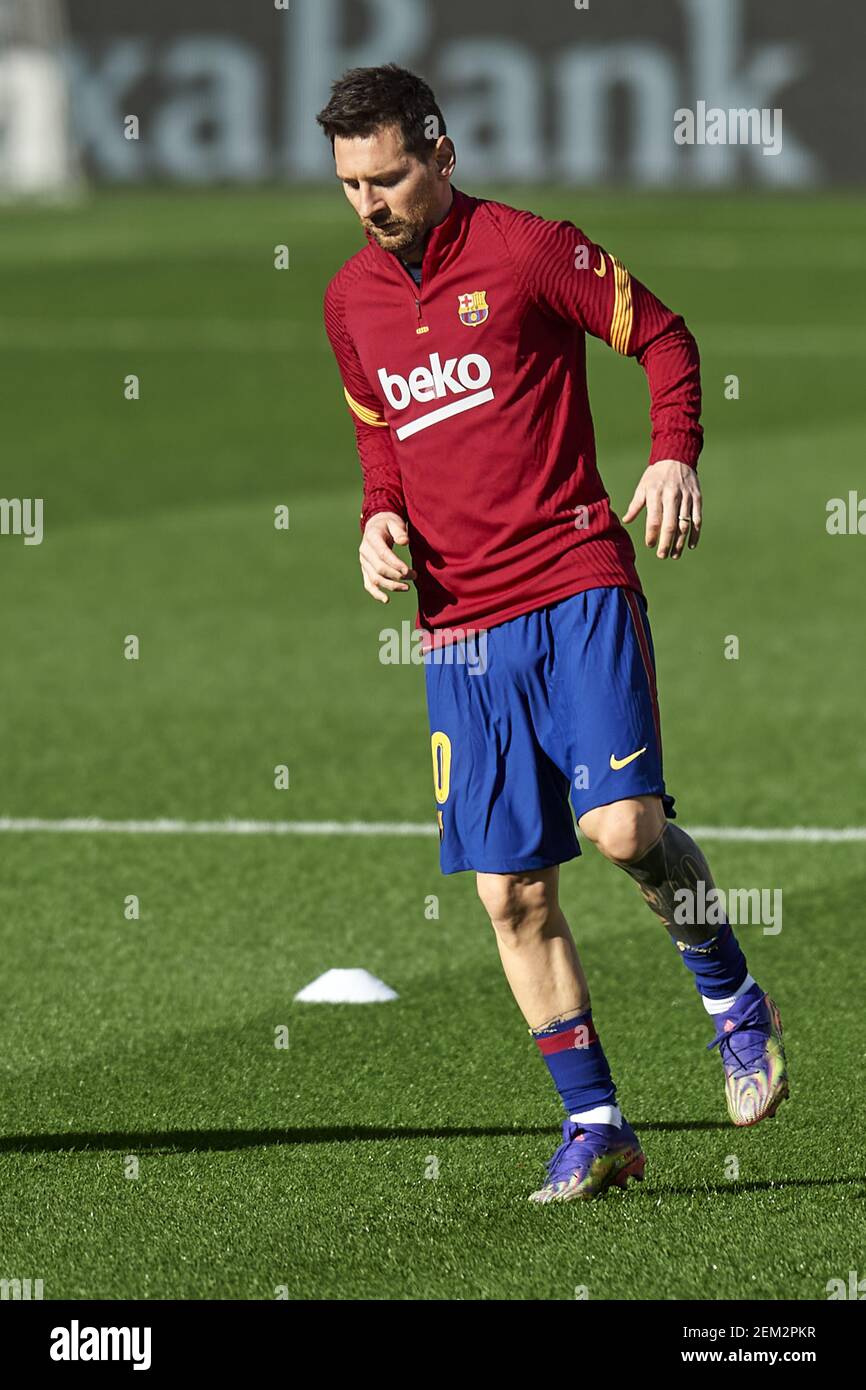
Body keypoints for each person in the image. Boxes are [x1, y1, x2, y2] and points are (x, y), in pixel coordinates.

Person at [318, 63, 788, 1202]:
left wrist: (670, 449)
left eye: (386, 178)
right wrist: (380, 514)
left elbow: (663, 337)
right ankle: (596, 1125)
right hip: (457, 627)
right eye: (348, 186)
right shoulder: (347, 299)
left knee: (625, 831)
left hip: (572, 581)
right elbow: (380, 428)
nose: (368, 204)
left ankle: (728, 995)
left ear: (440, 153)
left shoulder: (529, 250)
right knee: (509, 894)